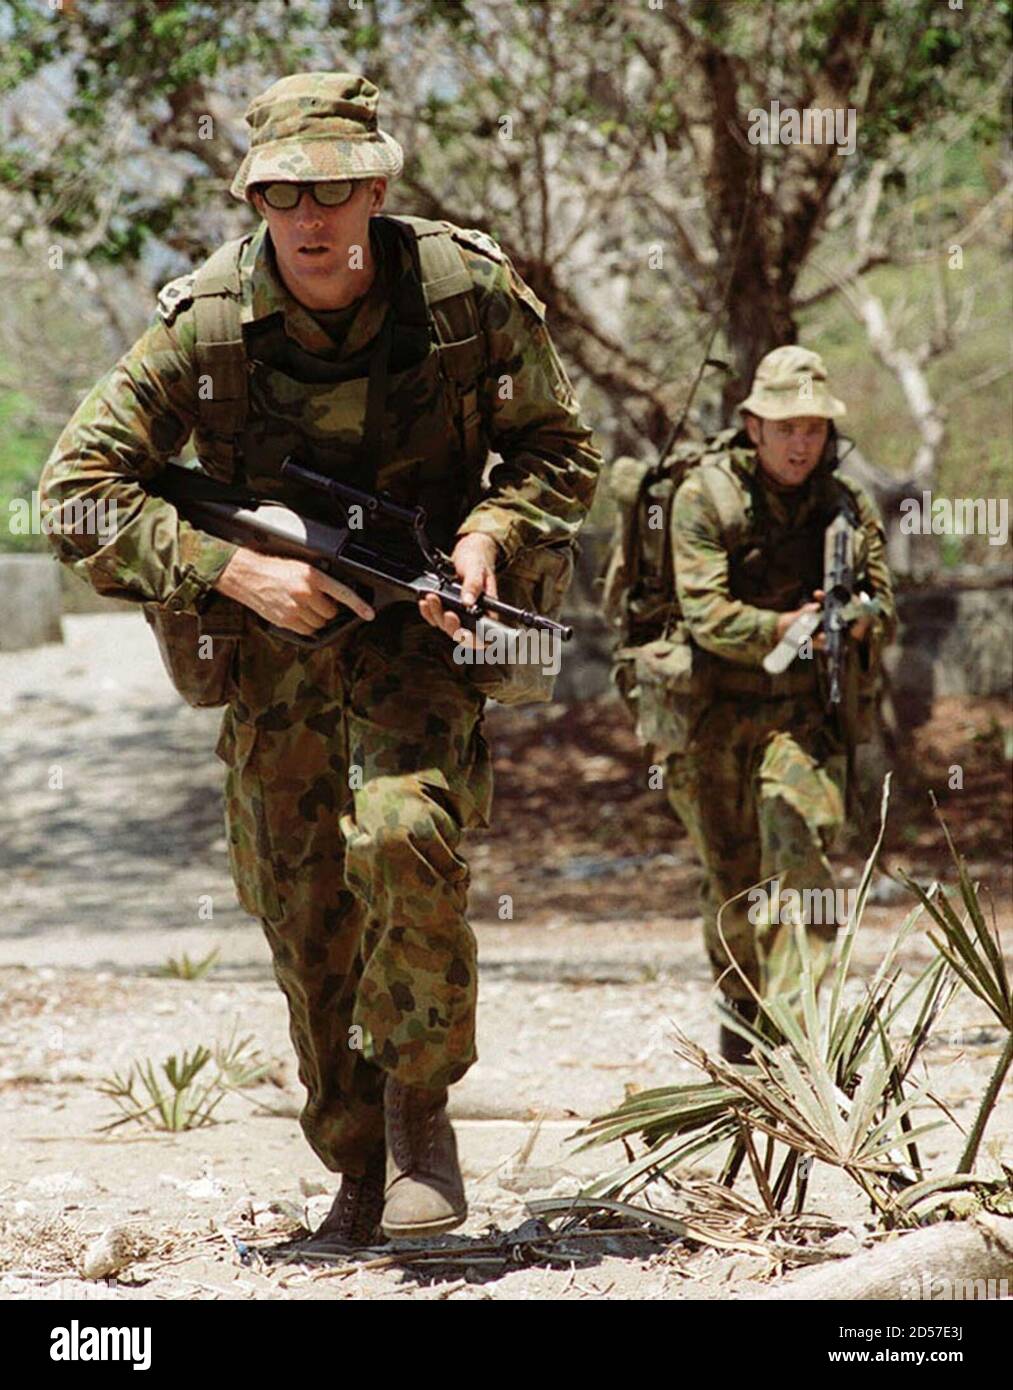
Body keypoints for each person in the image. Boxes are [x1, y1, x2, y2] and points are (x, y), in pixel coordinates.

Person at [39, 72, 601, 1242]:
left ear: (377, 186)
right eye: (283, 191)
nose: (311, 215)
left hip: (416, 640)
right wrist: (229, 568)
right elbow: (73, 496)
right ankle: (352, 1164)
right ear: (252, 196)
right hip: (272, 656)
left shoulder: (461, 295)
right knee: (304, 912)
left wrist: (488, 535)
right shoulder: (202, 324)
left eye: (334, 188)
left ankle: (417, 1112)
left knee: (404, 835)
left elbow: (558, 450)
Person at [653, 347, 895, 1059]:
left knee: (801, 853)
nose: (801, 442)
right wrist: (782, 627)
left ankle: (801, 1038)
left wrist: (854, 618)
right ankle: (741, 1014)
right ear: (752, 425)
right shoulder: (706, 496)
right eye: (786, 427)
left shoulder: (847, 506)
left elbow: (882, 604)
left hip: (801, 715)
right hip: (712, 713)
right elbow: (704, 615)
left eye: (814, 428)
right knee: (732, 883)